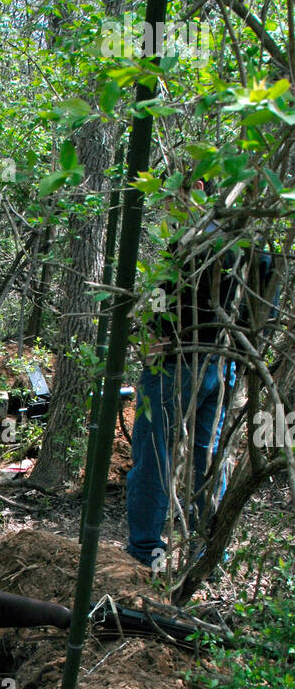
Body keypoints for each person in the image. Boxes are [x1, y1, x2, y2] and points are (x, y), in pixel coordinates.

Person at [126, 177, 237, 570]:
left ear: (200, 190)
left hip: (181, 365)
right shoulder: (237, 241)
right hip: (220, 364)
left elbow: (163, 299)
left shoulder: (193, 244)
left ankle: (145, 552)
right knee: (205, 458)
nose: (172, 207)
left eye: (176, 197)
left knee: (155, 458)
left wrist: (152, 337)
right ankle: (206, 549)